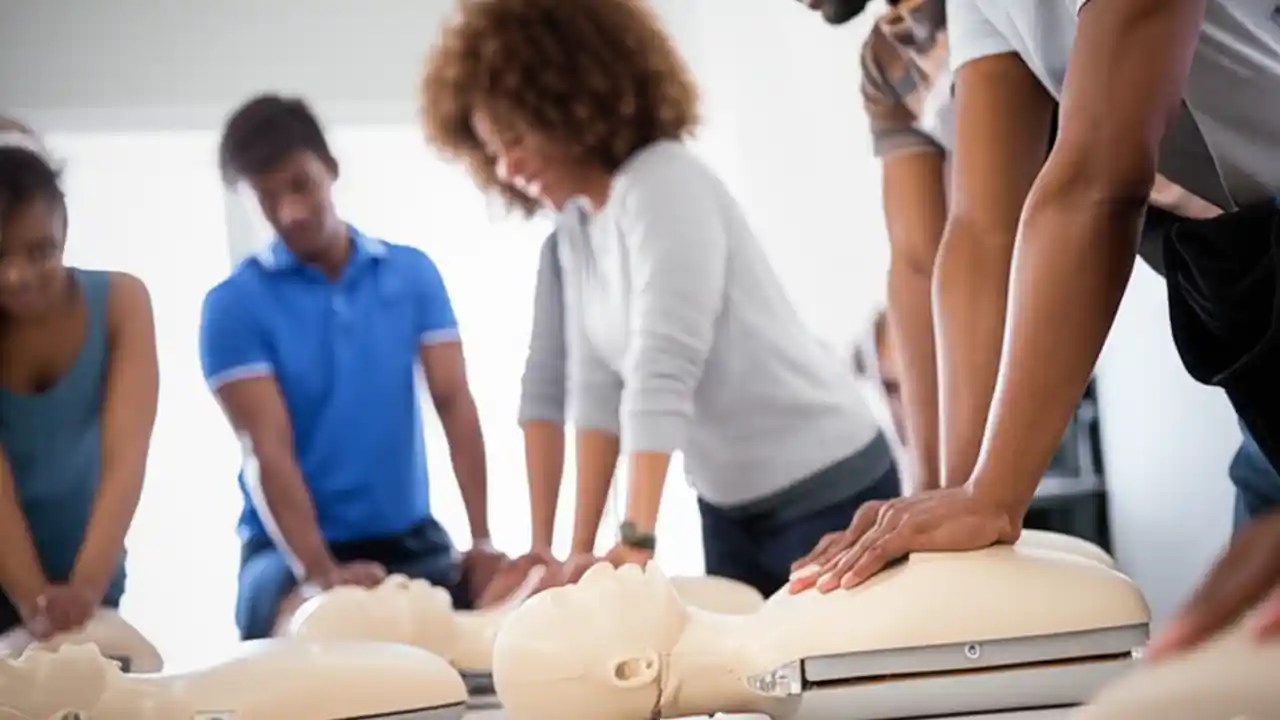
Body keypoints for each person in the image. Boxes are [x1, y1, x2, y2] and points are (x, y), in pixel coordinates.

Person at [790, 0, 1280, 659]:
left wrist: (992, 494)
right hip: (1242, 278)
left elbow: (1097, 178)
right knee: (1227, 652)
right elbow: (981, 230)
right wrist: (948, 497)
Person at [420, 0, 900, 599]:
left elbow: (662, 367)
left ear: (567, 102)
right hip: (729, 508)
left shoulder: (664, 182)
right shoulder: (578, 230)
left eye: (515, 138)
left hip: (829, 485)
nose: (507, 166)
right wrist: (580, 558)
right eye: (493, 151)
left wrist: (637, 540)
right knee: (748, 687)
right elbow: (596, 394)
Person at [199, 94, 507, 640]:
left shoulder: (412, 275)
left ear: (330, 169)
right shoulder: (233, 306)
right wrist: (321, 575)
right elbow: (266, 449)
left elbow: (455, 403)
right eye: (268, 197)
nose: (290, 211)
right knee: (325, 630)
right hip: (286, 551)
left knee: (507, 604)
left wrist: (480, 540)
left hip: (411, 539)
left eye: (301, 184)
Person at [0, 119, 158, 639]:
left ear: (64, 227)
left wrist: (85, 589)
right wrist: (33, 599)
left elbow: (125, 458)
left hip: (92, 576)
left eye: (39, 250)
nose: (16, 276)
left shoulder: (122, 303)